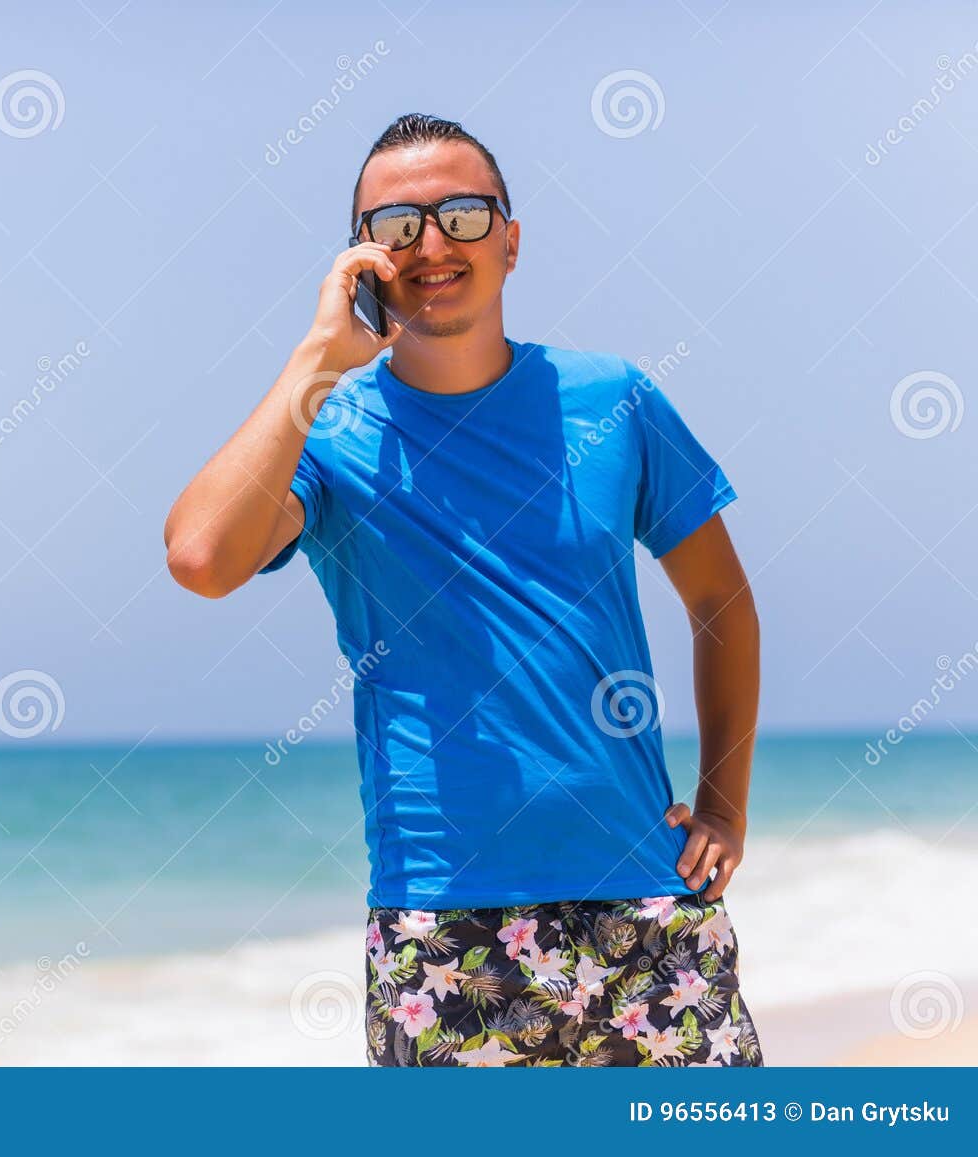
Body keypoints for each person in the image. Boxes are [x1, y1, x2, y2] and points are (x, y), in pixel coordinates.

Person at [163, 114, 763, 1067]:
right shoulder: (326, 433)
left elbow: (721, 599)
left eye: (464, 214)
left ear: (511, 241)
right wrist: (317, 359)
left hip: (648, 906)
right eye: (398, 225)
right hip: (442, 929)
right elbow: (200, 556)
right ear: (361, 261)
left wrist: (723, 805)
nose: (433, 243)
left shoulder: (614, 400)